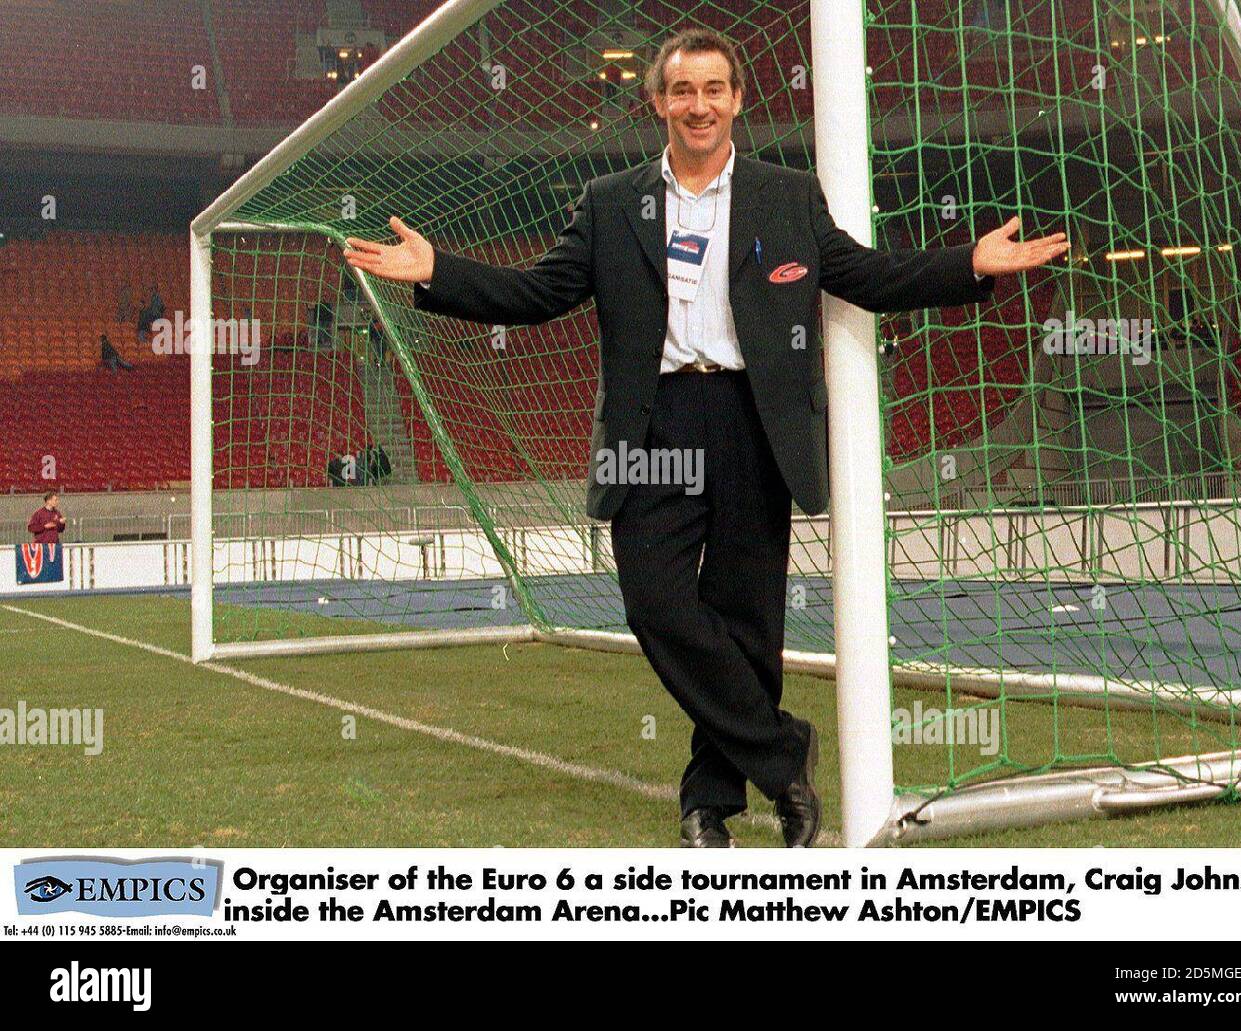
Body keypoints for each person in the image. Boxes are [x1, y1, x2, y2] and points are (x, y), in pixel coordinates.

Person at [343, 28, 1069, 847]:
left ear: (737, 99)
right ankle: (783, 751)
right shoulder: (613, 201)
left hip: (754, 418)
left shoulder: (786, 195)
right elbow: (539, 292)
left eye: (714, 89)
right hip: (650, 423)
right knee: (656, 604)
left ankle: (708, 803)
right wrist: (438, 270)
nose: (699, 105)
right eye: (683, 91)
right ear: (657, 101)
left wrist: (968, 262)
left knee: (746, 618)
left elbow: (865, 276)